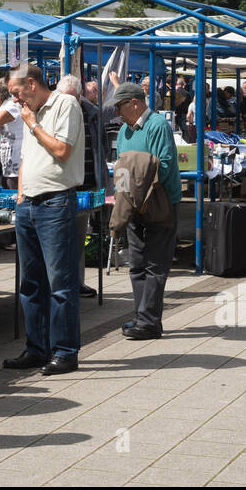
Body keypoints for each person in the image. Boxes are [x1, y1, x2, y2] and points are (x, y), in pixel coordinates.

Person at [2, 62, 84, 376]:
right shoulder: (28, 111)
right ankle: (37, 348)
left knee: (60, 283)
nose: (15, 100)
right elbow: (27, 158)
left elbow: (61, 150)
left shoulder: (64, 104)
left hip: (55, 202)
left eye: (17, 92)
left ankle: (65, 352)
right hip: (29, 204)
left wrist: (33, 124)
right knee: (31, 283)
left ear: (33, 84)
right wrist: (21, 193)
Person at [110, 81, 180, 338]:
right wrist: (126, 196)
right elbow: (122, 169)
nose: (117, 111)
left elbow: (164, 166)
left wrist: (133, 183)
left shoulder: (158, 125)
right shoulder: (124, 131)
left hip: (159, 204)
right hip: (134, 204)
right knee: (137, 263)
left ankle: (149, 321)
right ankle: (143, 316)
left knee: (155, 265)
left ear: (135, 103)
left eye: (120, 106)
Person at [57, 74, 107, 299]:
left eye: (72, 98)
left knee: (78, 238)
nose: (68, 102)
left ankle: (76, 283)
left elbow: (101, 146)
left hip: (84, 185)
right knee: (58, 239)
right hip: (59, 185)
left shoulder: (92, 114)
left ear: (80, 96)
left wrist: (100, 181)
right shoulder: (53, 113)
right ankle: (59, 284)